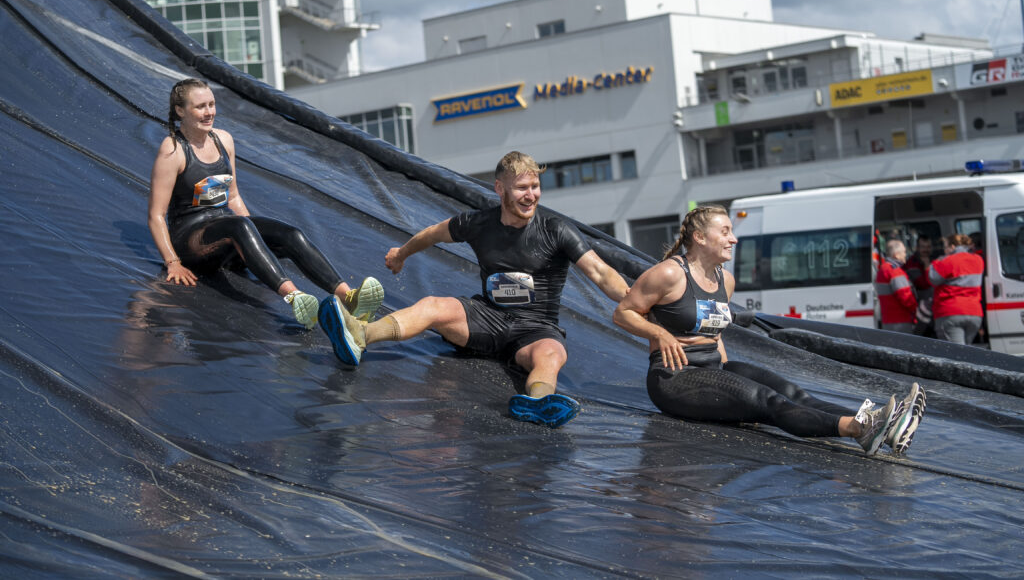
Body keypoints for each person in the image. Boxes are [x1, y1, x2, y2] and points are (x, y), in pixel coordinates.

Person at [317, 151, 630, 428]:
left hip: (535, 329)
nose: (531, 195)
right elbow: (433, 234)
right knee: (432, 305)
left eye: (535, 187)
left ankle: (537, 403)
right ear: (499, 188)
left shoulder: (555, 230)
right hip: (487, 318)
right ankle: (359, 336)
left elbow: (601, 272)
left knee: (551, 354)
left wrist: (633, 301)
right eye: (522, 188)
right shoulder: (480, 223)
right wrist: (401, 254)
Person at [612, 205, 926, 457]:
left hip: (712, 368)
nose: (733, 239)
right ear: (700, 237)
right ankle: (861, 430)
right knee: (767, 401)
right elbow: (623, 313)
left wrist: (726, 375)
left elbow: (716, 333)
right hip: (674, 376)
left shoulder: (726, 280)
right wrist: (660, 334)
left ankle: (877, 423)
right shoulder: (669, 273)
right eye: (725, 231)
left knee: (793, 393)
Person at [147, 78, 384, 336]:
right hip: (191, 238)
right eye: (200, 107)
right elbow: (156, 215)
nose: (209, 112)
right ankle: (296, 299)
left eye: (212, 105)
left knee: (289, 234)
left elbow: (234, 196)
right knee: (239, 225)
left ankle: (348, 296)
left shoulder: (223, 140)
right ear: (181, 110)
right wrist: (173, 262)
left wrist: (254, 237)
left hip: (227, 226)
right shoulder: (173, 150)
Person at [930, 233, 985, 345]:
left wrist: (935, 262)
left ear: (953, 247)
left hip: (950, 313)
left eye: (945, 247)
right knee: (965, 352)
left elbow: (933, 278)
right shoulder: (978, 260)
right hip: (974, 314)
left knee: (956, 356)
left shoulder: (948, 260)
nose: (944, 250)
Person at [875, 239, 917, 334]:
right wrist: (917, 309)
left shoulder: (883, 269)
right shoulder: (895, 271)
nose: (905, 255)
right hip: (901, 321)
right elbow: (906, 297)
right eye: (904, 252)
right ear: (896, 255)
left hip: (889, 320)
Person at [904, 235, 934, 337]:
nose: (926, 250)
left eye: (928, 247)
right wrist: (927, 267)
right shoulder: (912, 263)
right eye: (923, 247)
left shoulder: (934, 259)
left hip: (933, 307)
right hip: (921, 309)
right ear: (917, 248)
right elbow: (923, 284)